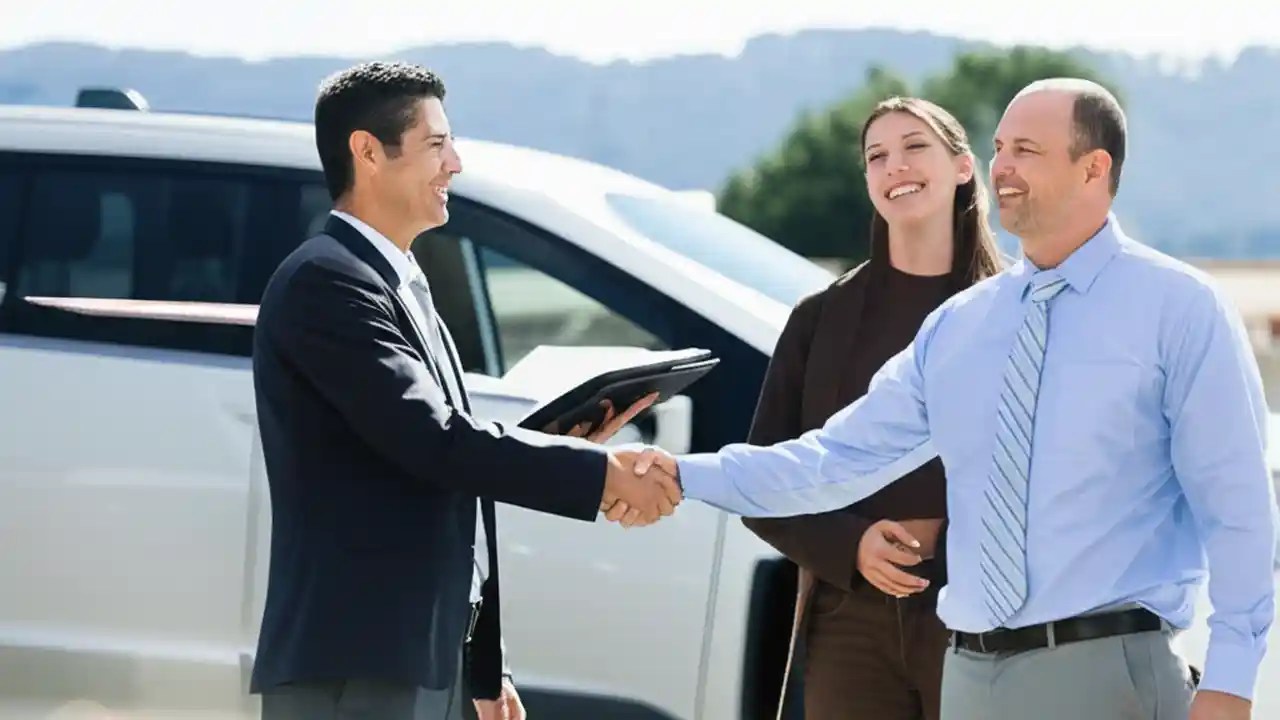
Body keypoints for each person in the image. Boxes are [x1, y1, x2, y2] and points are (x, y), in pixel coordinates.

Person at [636, 78, 1275, 720]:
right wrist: (679, 474)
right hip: (967, 680)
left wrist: (1230, 680)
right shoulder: (960, 326)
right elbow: (831, 460)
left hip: (1107, 677)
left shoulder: (1180, 308)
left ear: (1094, 168)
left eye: (1026, 149)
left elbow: (1239, 508)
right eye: (999, 147)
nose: (1003, 168)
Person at [250, 61, 680, 720]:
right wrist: (598, 473)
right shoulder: (327, 283)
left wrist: (482, 666)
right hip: (360, 664)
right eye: (436, 144)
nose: (456, 162)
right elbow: (434, 442)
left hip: (424, 657)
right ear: (367, 152)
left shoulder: (401, 283)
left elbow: (438, 473)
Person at [740, 97, 1003, 720]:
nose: (895, 167)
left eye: (915, 147)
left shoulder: (1016, 311)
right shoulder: (818, 321)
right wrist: (850, 546)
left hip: (991, 619)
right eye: (876, 156)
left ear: (964, 167)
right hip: (848, 623)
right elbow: (761, 483)